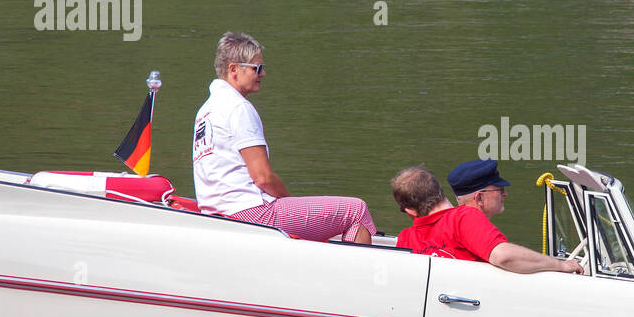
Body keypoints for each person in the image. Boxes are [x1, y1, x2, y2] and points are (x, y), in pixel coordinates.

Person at [192, 32, 376, 243]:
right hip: (251, 212)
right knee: (356, 211)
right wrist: (291, 203)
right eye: (257, 68)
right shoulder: (238, 107)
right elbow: (263, 177)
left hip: (216, 215)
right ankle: (354, 276)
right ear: (234, 69)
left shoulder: (205, 111)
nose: (263, 74)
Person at [391, 166, 582, 274]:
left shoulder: (404, 239)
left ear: (409, 210)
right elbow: (503, 256)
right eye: (500, 190)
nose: (505, 193)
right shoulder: (463, 217)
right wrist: (560, 265)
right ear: (439, 190)